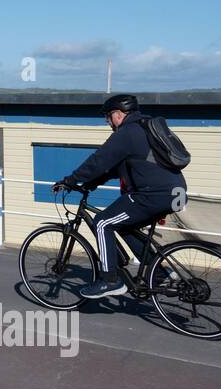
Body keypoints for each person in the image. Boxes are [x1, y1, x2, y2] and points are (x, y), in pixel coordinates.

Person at [52, 94, 186, 299]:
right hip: (175, 193)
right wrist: (91, 183)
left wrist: (71, 180)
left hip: (152, 194)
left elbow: (99, 160)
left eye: (108, 117)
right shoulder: (144, 128)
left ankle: (110, 280)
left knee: (102, 222)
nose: (108, 122)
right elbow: (116, 167)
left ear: (118, 114)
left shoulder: (127, 132)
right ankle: (158, 271)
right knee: (124, 225)